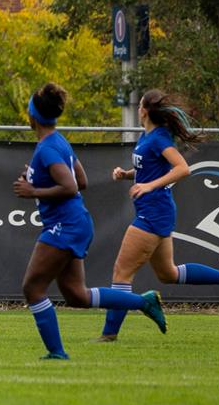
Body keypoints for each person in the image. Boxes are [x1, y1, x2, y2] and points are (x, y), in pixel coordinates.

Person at [12, 82, 164, 359]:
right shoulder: (58, 142)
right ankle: (143, 302)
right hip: (75, 222)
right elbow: (81, 180)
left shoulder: (47, 148)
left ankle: (57, 353)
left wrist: (33, 190)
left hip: (65, 225)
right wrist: (39, 179)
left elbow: (70, 186)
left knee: (32, 288)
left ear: (32, 115)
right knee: (76, 296)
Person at [95, 89, 219, 341]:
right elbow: (149, 169)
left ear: (144, 110)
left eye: (139, 107)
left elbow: (182, 168)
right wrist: (127, 175)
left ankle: (108, 335)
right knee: (168, 273)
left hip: (153, 213)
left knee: (121, 273)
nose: (137, 110)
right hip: (158, 211)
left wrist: (149, 186)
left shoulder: (159, 138)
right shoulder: (148, 137)